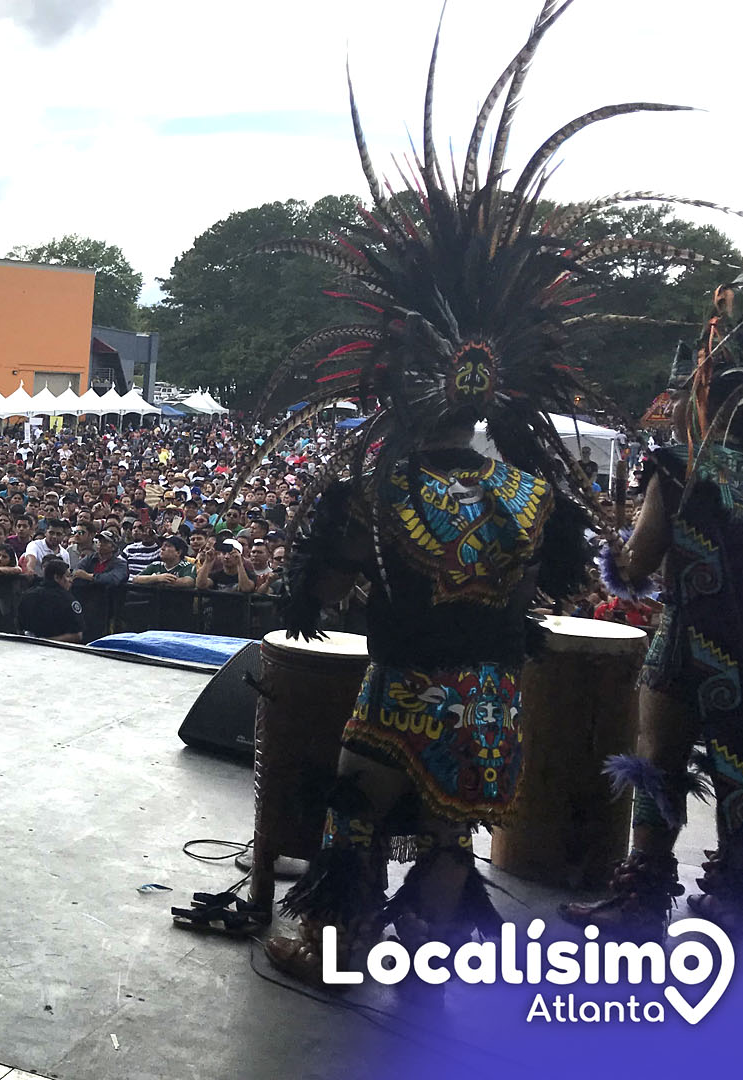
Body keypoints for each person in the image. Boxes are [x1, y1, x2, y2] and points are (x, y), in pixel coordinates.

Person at [249, 8, 652, 987]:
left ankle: (326, 936)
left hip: (402, 692)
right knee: (448, 829)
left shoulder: (379, 485)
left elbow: (314, 600)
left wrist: (330, 586)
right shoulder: (534, 492)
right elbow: (556, 595)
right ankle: (431, 936)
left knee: (356, 800)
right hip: (492, 701)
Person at [561, 271, 743, 940]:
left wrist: (612, 541)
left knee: (658, 763)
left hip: (692, 644)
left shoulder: (683, 463)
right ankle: (730, 897)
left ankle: (642, 899)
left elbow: (633, 568)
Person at [18, 558, 85, 642]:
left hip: (28, 647)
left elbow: (19, 627)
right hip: (58, 650)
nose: (71, 580)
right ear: (57, 577)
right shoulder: (68, 600)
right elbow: (77, 635)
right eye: (68, 576)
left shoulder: (28, 595)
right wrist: (45, 641)